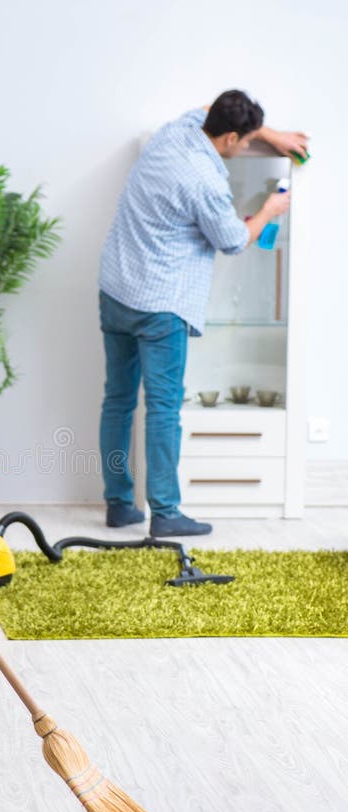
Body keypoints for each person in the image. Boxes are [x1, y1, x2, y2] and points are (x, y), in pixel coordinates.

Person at [98, 90, 308, 537]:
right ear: (230, 136)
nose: (247, 146)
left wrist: (273, 134)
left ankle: (118, 503)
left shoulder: (176, 132)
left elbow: (205, 105)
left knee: (117, 399)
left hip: (116, 287)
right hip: (161, 304)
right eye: (247, 140)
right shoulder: (206, 182)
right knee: (163, 409)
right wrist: (269, 209)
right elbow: (232, 239)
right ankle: (166, 513)